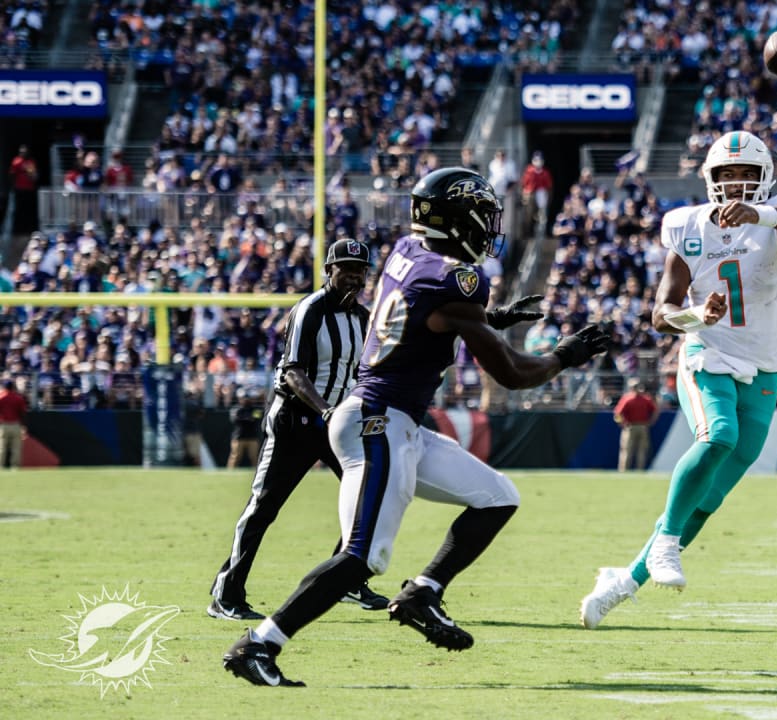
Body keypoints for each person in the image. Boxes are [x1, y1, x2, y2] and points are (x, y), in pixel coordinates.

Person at [223, 167, 608, 686]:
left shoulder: (407, 250)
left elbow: (428, 316)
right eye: (483, 216)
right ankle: (258, 645)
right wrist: (566, 355)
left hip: (393, 421)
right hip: (378, 422)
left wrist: (490, 318)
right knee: (362, 558)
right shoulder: (458, 281)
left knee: (498, 497)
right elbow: (513, 374)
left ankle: (424, 592)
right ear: (459, 219)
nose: (489, 228)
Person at [579, 130, 777, 629]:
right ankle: (666, 543)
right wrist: (697, 316)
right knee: (718, 436)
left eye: (747, 174)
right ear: (710, 178)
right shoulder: (687, 225)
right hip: (709, 353)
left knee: (710, 497)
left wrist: (758, 215)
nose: (736, 183)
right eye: (727, 174)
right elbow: (661, 313)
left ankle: (624, 581)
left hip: (764, 365)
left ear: (765, 178)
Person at [209, 239, 390, 621]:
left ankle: (348, 580)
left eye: (360, 271)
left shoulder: (363, 318)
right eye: (345, 269)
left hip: (339, 423)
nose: (353, 277)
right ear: (329, 270)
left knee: (373, 497)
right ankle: (226, 592)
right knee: (263, 507)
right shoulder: (310, 310)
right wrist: (326, 410)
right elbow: (293, 371)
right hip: (296, 420)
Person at [614, 379, 658, 471]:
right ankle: (639, 470)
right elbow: (656, 410)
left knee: (627, 450)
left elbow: (617, 414)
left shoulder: (628, 398)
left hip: (631, 427)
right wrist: (651, 421)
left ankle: (624, 471)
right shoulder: (646, 398)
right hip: (642, 427)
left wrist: (622, 423)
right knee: (641, 451)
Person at [226, 389, 264, 469]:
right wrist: (249, 418)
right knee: (235, 456)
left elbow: (257, 418)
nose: (246, 400)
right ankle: (229, 473)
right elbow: (235, 419)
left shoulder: (255, 409)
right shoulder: (235, 409)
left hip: (252, 437)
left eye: (247, 398)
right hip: (239, 437)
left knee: (254, 457)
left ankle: (257, 473)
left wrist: (245, 418)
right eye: (243, 398)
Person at [0, 379, 29, 469]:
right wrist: (23, 426)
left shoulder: (1, 397)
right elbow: (23, 413)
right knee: (16, 448)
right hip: (16, 425)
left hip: (3, 425)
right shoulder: (18, 398)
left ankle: (0, 466)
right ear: (13, 387)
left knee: (2, 447)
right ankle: (15, 467)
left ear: (4, 387)